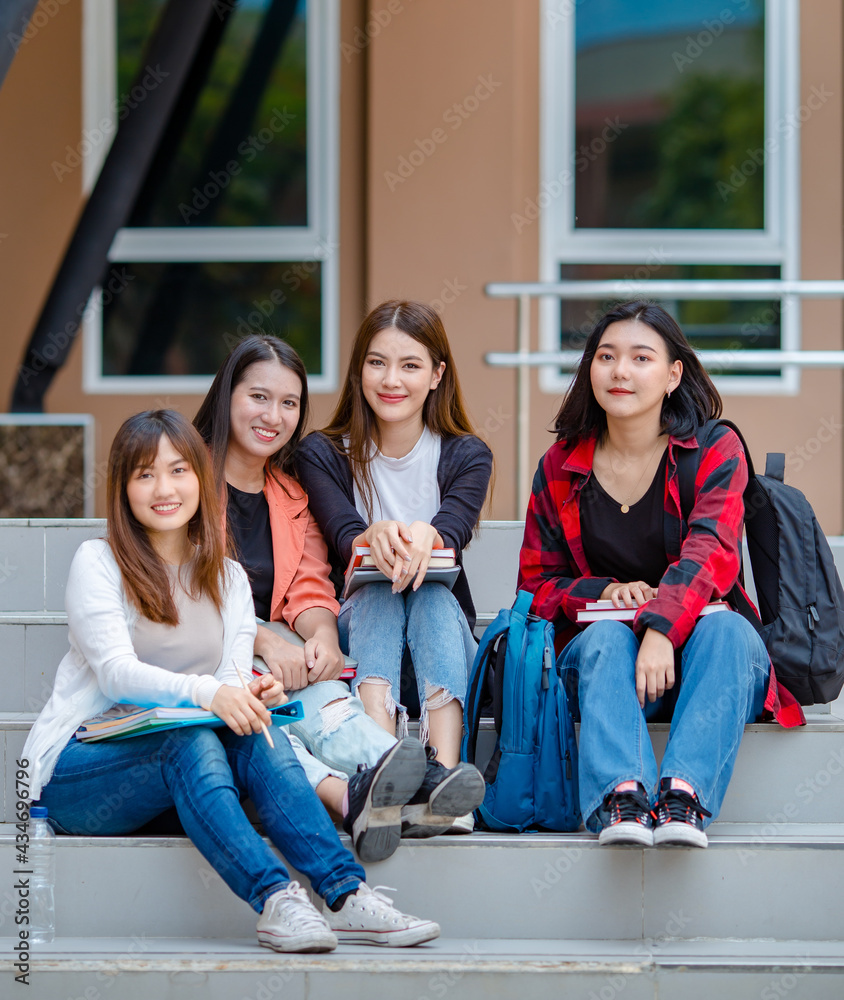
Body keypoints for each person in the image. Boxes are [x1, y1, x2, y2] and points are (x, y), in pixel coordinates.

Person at [23, 410, 440, 953]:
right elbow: (116, 673)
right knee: (190, 736)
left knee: (253, 727)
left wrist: (249, 693)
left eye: (178, 471)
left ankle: (346, 894)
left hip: (184, 772)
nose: (164, 488)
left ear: (200, 477)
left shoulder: (227, 577)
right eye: (144, 474)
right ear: (122, 488)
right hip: (81, 773)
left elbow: (231, 677)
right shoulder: (99, 562)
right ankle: (276, 899)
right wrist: (211, 694)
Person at [517, 300, 804, 849]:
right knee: (601, 636)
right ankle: (620, 797)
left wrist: (659, 630)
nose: (620, 371)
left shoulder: (715, 447)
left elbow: (711, 551)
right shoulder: (560, 465)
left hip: (707, 670)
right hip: (609, 677)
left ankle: (682, 799)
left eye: (641, 357)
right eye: (606, 356)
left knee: (727, 630)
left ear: (674, 374)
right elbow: (534, 585)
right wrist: (601, 592)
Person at [193, 335, 485, 858]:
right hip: (209, 651)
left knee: (324, 694)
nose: (274, 416)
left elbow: (308, 583)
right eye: (259, 397)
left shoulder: (289, 494)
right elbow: (177, 589)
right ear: (226, 395)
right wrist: (265, 640)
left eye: (289, 404)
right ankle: (410, 781)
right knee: (312, 696)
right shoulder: (184, 482)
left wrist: (324, 635)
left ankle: (397, 779)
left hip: (279, 653)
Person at [296, 300, 493, 832]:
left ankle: (448, 784)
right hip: (361, 649)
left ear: (436, 375)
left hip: (440, 658)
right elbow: (340, 533)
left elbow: (453, 527)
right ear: (359, 370)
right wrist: (369, 538)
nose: (392, 380)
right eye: (377, 363)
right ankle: (383, 771)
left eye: (410, 365)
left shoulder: (467, 454)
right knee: (378, 590)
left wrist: (428, 535)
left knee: (430, 592)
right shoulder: (322, 454)